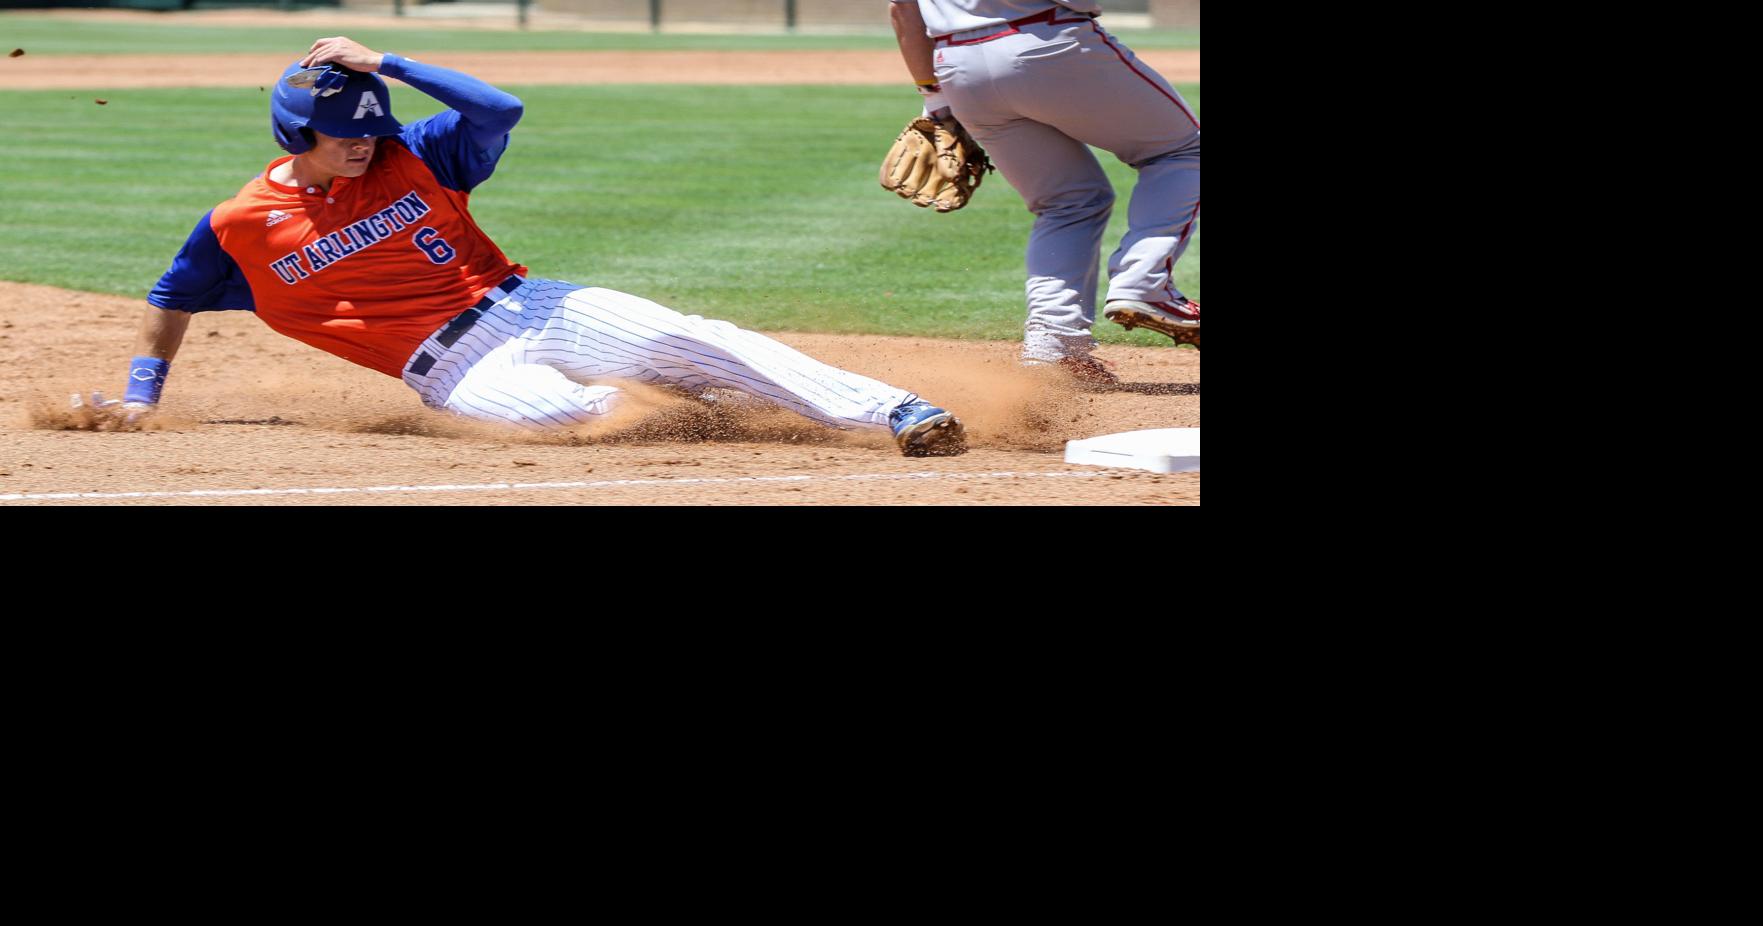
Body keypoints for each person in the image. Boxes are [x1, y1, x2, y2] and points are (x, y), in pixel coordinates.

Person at [87, 36, 966, 457]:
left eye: (369, 128)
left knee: (707, 339)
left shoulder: (413, 154)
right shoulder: (240, 223)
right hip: (449, 371)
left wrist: (387, 62)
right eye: (339, 133)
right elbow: (172, 298)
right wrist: (141, 396)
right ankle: (701, 407)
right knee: (568, 419)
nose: (361, 143)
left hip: (530, 305)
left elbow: (498, 111)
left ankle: (897, 410)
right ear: (295, 133)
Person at [888, 0, 1201, 386]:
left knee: (1067, 202)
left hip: (959, 66)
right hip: (1048, 41)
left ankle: (1054, 347)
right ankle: (1144, 282)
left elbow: (902, 6)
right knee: (1183, 151)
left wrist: (934, 100)